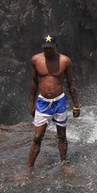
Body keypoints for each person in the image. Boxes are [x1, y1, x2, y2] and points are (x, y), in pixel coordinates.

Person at [28, 34, 81, 170]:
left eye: (50, 48)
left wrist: (76, 105)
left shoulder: (64, 61)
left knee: (62, 135)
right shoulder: (36, 60)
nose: (48, 51)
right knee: (37, 136)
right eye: (46, 49)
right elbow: (34, 82)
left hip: (59, 101)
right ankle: (29, 167)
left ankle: (64, 163)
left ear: (56, 47)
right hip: (42, 102)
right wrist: (31, 103)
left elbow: (70, 83)